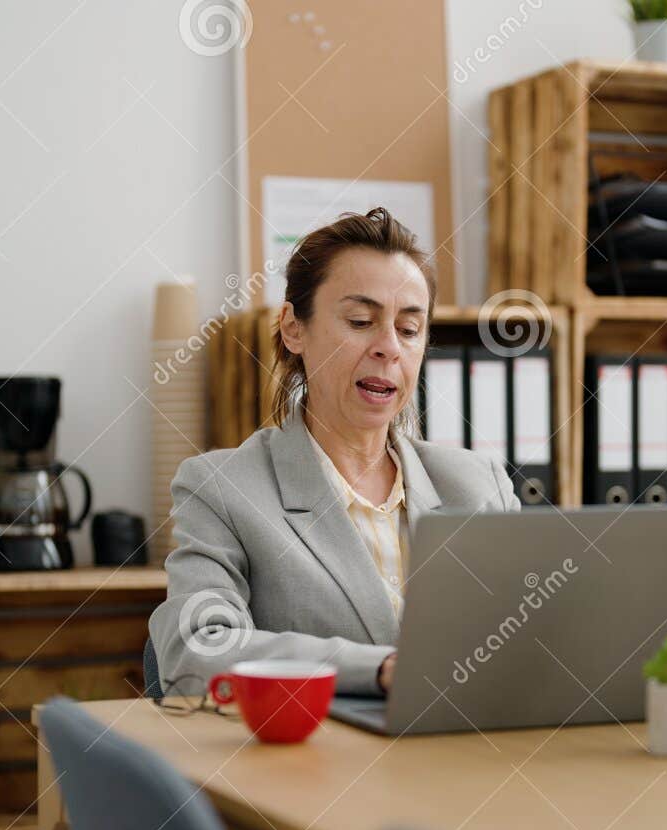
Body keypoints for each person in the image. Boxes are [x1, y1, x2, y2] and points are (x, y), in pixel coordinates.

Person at [148, 207, 520, 697]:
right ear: (293, 328)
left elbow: (543, 639)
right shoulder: (223, 489)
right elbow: (196, 651)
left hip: (470, 760)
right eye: (361, 321)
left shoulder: (480, 485)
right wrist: (380, 669)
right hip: (318, 768)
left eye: (409, 330)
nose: (388, 347)